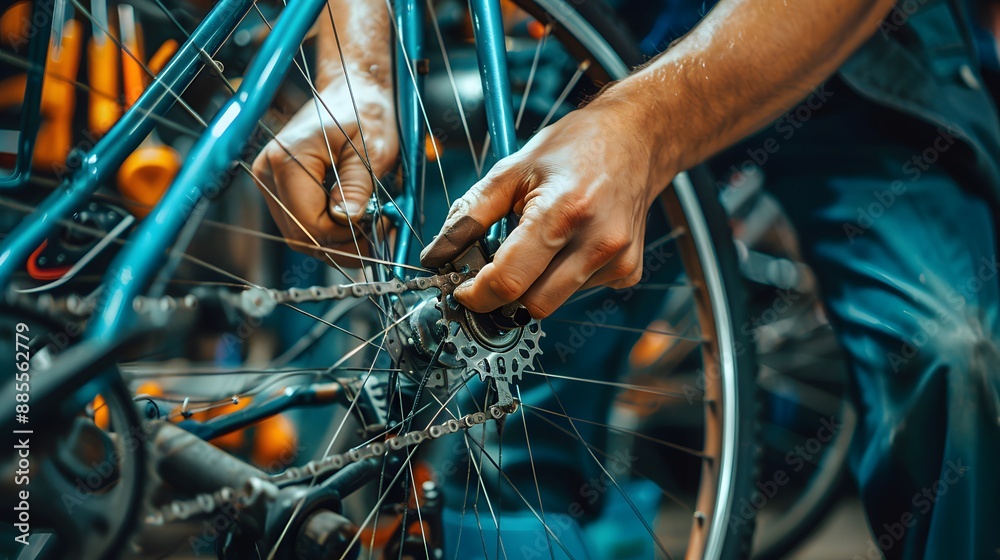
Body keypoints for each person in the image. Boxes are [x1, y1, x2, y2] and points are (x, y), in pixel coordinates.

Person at [253, 0, 1000, 557]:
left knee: (957, 350)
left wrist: (646, 128)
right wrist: (357, 70)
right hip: (603, 26)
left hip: (845, 42)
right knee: (518, 416)